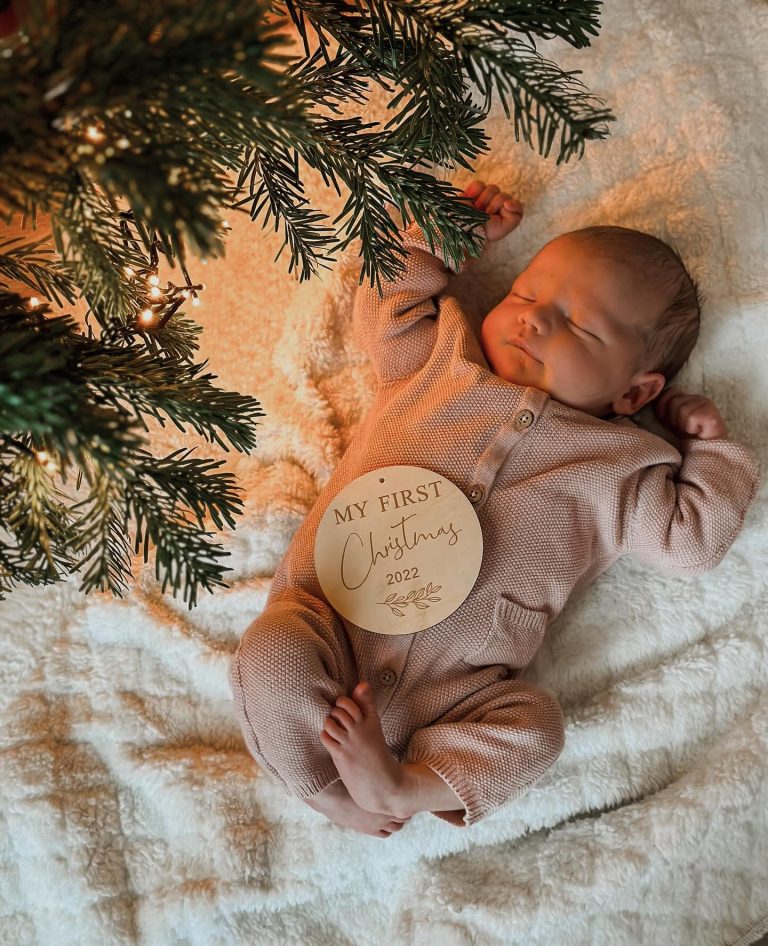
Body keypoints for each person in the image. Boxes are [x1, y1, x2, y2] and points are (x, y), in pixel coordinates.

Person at [229, 179, 760, 838]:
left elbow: (692, 543)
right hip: (327, 622)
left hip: (459, 691)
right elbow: (384, 301)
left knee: (538, 728)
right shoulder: (436, 362)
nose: (535, 319)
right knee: (270, 650)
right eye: (525, 296)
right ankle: (327, 790)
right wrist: (447, 237)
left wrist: (710, 450)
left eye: (580, 326)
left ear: (635, 392)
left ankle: (407, 784)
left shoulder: (619, 467)